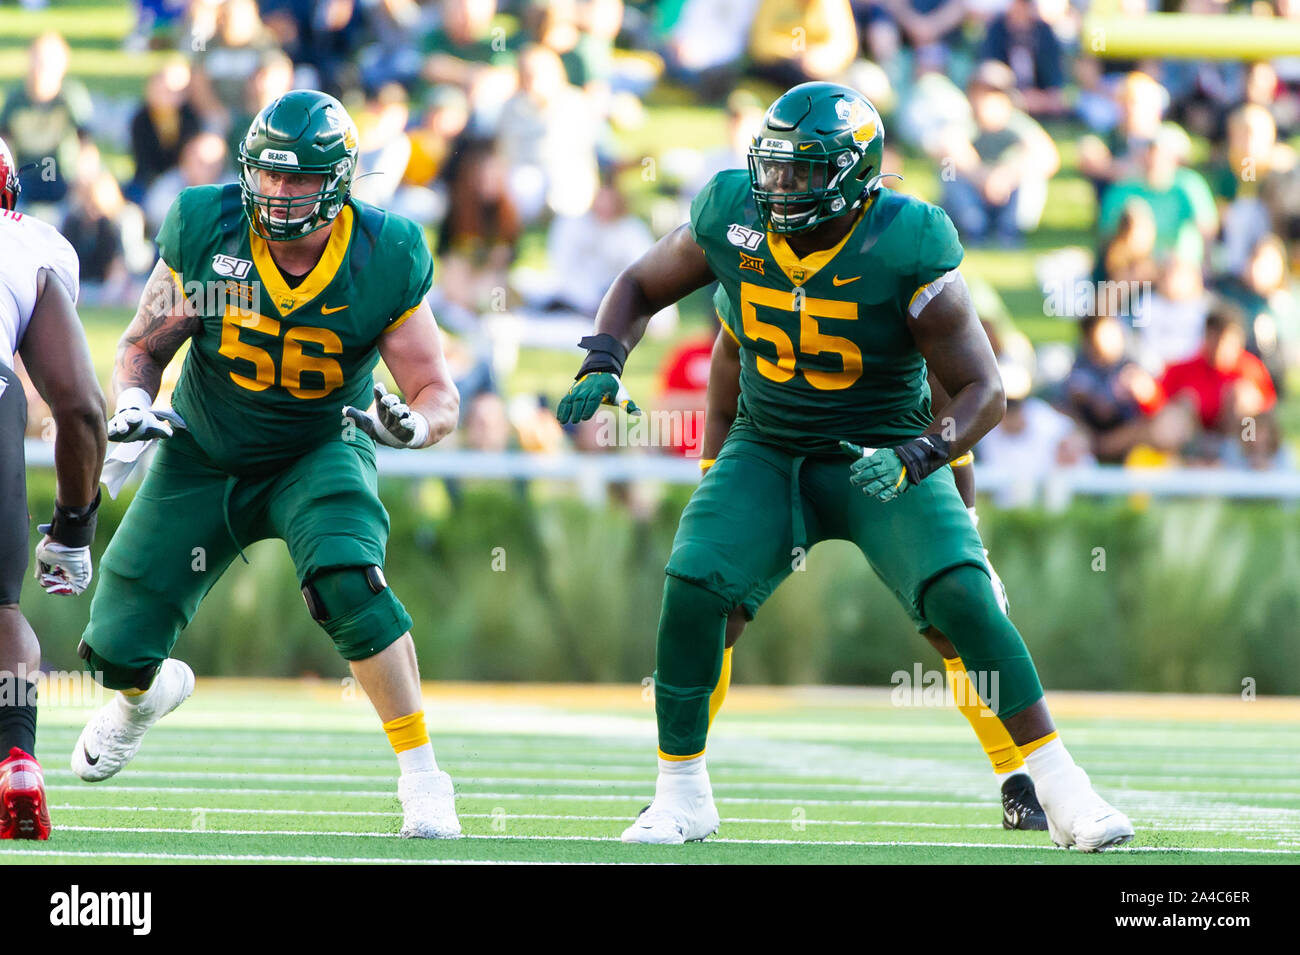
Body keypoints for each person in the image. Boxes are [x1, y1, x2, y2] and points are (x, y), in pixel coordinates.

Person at [556, 82, 1134, 850]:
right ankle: (681, 794)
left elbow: (982, 389)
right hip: (769, 447)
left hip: (884, 449)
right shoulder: (733, 216)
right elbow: (641, 286)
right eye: (773, 165)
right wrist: (604, 356)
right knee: (695, 585)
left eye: (802, 170)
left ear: (853, 177)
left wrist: (926, 459)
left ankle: (1061, 788)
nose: (779, 185)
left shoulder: (905, 240)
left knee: (961, 596)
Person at [68, 91, 463, 839]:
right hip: (203, 449)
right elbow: (144, 345)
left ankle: (423, 777)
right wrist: (133, 400)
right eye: (269, 174)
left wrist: (414, 427)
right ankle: (143, 698)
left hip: (321, 446)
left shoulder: (382, 253)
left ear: (339, 181)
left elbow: (435, 389)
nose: (279, 193)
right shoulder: (208, 225)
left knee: (349, 580)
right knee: (114, 647)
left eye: (299, 178)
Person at [696, 322, 1045, 830]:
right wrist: (714, 495)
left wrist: (970, 537)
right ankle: (683, 782)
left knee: (956, 617)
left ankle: (1016, 779)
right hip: (784, 467)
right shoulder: (764, 294)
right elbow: (723, 398)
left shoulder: (903, 302)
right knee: (713, 607)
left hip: (891, 468)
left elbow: (954, 439)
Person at [0, 136, 107, 840]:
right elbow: (81, 407)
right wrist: (73, 527)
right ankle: (16, 759)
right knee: (1, 613)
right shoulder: (26, 244)